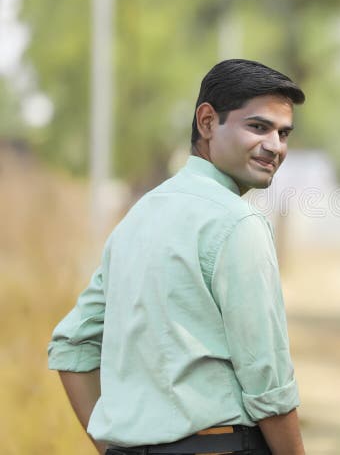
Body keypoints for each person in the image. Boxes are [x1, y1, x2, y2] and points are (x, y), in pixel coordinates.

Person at [48, 59, 307, 455]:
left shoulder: (138, 218)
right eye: (258, 126)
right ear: (207, 122)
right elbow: (266, 381)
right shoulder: (239, 222)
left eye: (283, 133)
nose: (275, 146)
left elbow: (71, 345)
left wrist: (113, 446)